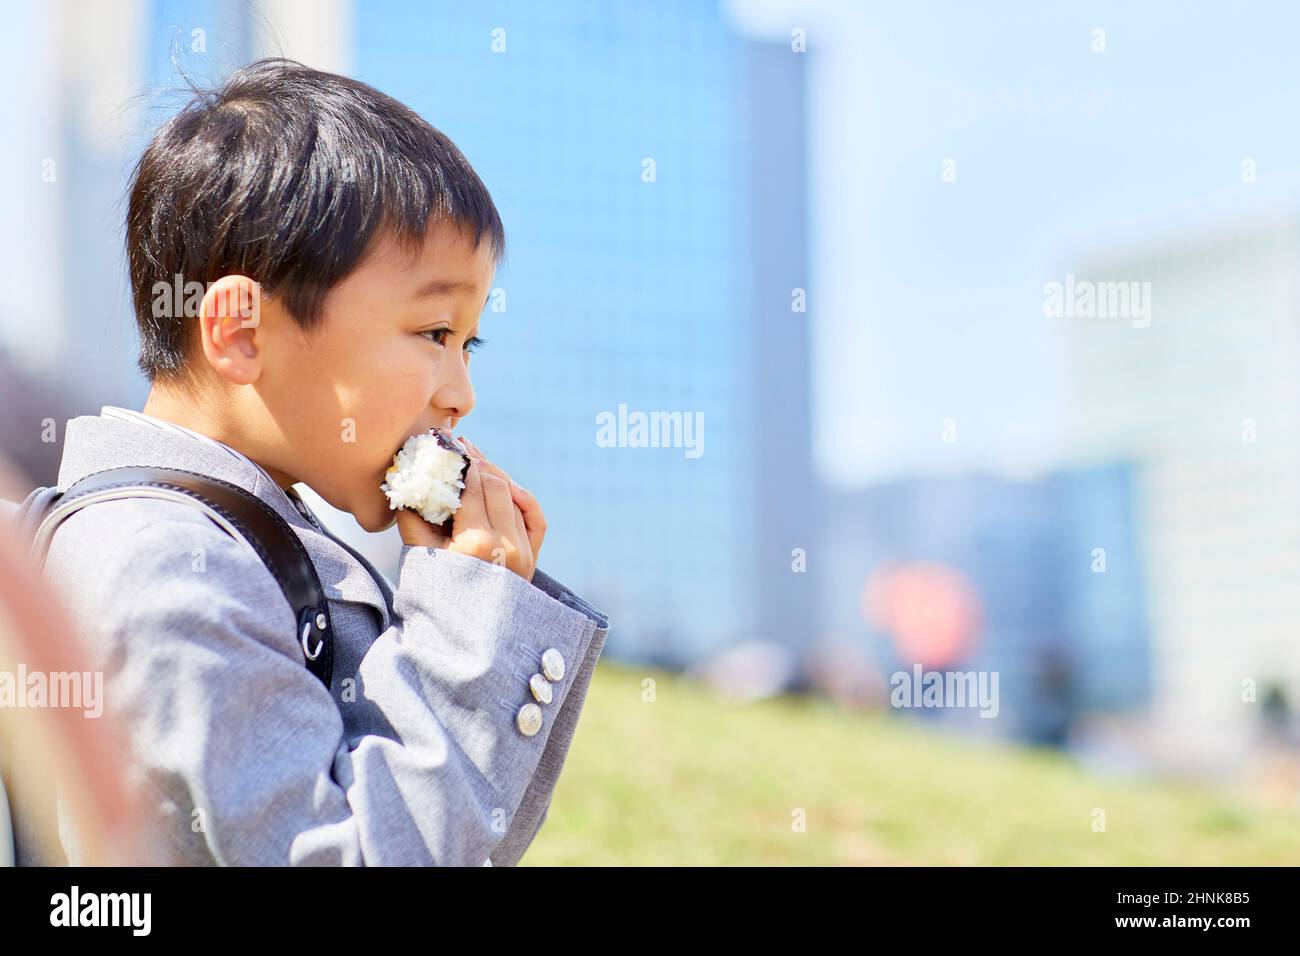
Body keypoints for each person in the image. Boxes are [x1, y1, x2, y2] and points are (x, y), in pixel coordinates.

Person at [36, 58, 609, 866]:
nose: (462, 395)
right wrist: (470, 636)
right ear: (241, 333)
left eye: (470, 342)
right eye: (435, 334)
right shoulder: (168, 569)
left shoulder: (241, 538)